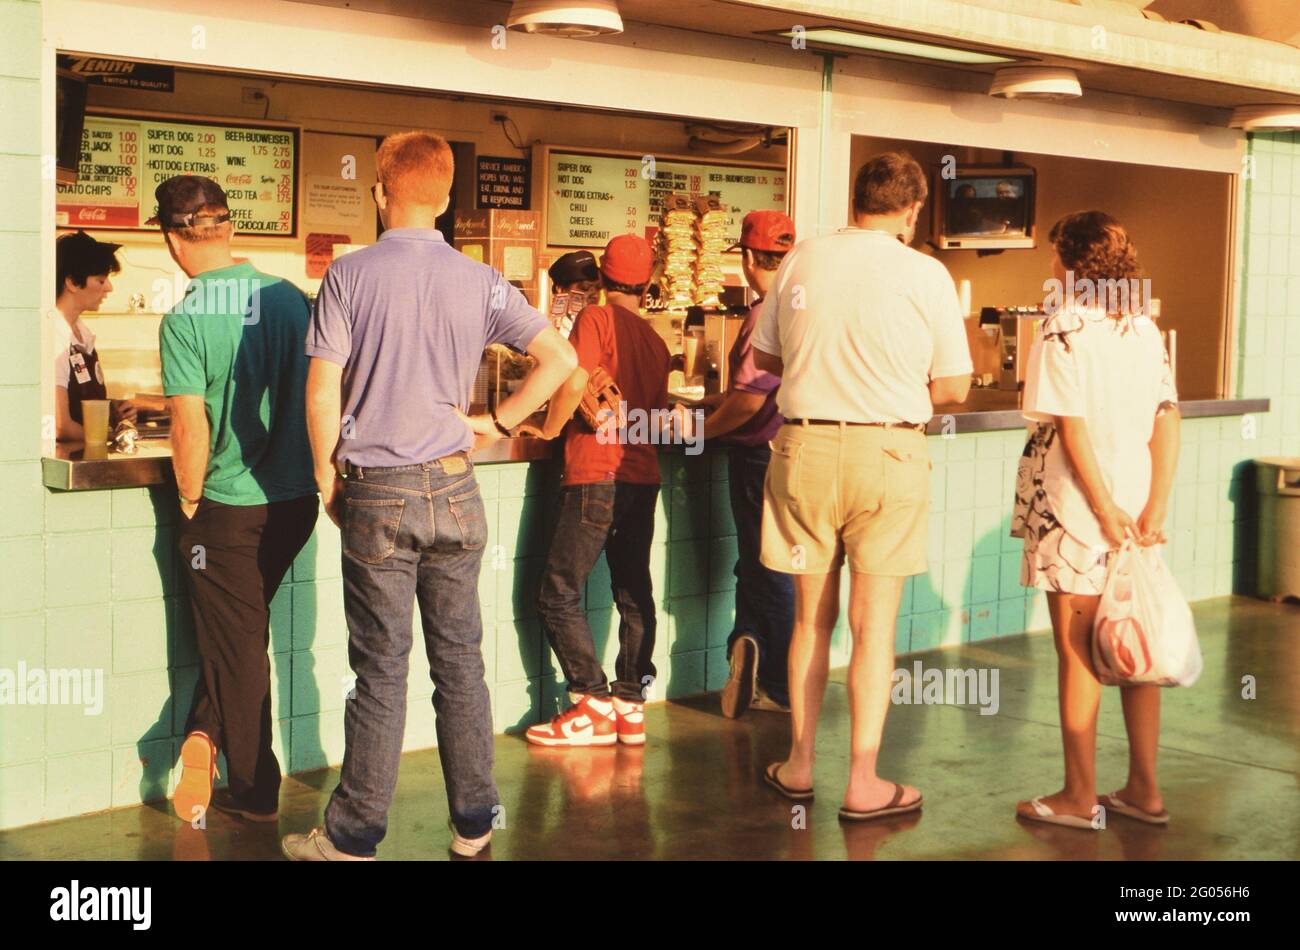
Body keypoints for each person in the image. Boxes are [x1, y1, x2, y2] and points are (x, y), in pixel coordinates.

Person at [282, 131, 575, 861]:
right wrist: (498, 421)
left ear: (380, 192)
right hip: (454, 486)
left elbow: (322, 390)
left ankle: (353, 836)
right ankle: (475, 824)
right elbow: (561, 358)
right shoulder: (478, 278)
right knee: (461, 661)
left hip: (376, 490)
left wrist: (327, 476)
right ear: (446, 200)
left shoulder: (349, 275)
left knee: (381, 668)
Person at [750, 152, 972, 821]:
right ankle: (864, 783)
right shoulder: (926, 272)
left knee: (810, 619)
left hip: (803, 449)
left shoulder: (800, 260)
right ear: (911, 210)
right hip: (888, 452)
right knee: (872, 628)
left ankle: (799, 765)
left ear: (856, 200)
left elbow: (764, 357)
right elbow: (954, 385)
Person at [156, 176, 319, 826]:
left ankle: (253, 790)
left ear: (171, 238)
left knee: (237, 643)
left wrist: (192, 504)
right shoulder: (290, 299)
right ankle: (204, 734)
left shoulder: (186, 317)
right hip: (294, 505)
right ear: (228, 228)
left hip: (228, 509)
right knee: (242, 633)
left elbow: (189, 429)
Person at [1012, 211, 1180, 829]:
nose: (1050, 264)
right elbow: (1167, 417)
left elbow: (1070, 425)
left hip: (1078, 514)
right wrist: (1152, 505)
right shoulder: (1141, 327)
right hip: (1136, 514)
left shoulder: (1063, 326)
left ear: (1071, 260)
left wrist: (1103, 507)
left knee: (1078, 649)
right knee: (1133, 642)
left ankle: (1078, 797)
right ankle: (1144, 790)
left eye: (1056, 253)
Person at [524, 234, 671, 749]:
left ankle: (590, 701)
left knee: (557, 593)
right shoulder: (657, 343)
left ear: (604, 281)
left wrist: (545, 428)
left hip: (594, 473)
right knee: (634, 592)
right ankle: (631, 705)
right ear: (647, 285)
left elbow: (572, 382)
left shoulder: (595, 319)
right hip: (641, 476)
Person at [694, 210, 797, 718]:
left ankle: (779, 684)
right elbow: (751, 392)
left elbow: (751, 402)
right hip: (793, 451)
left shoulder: (765, 313)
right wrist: (710, 405)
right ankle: (751, 643)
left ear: (751, 258)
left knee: (769, 565)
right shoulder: (801, 306)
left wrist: (700, 429)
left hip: (760, 457)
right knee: (760, 564)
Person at [51, 230, 164, 441]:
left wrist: (112, 408)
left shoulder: (82, 335)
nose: (109, 288)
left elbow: (79, 402)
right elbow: (60, 426)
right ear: (72, 283)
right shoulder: (54, 337)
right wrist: (110, 437)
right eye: (101, 280)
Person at [547, 250, 602, 339]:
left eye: (598, 288)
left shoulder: (605, 329)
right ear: (561, 289)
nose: (595, 295)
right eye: (585, 288)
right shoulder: (549, 333)